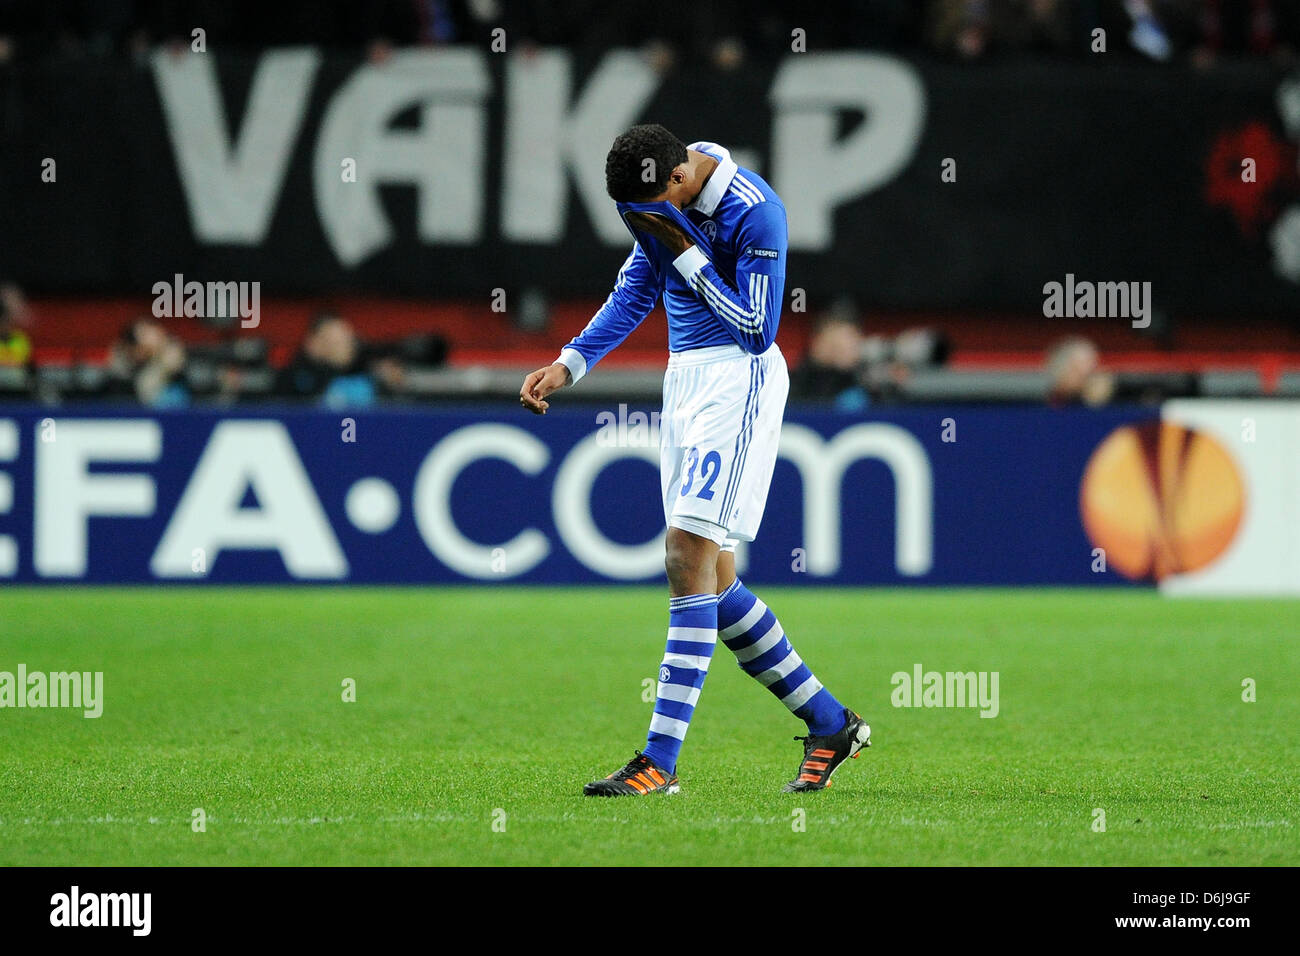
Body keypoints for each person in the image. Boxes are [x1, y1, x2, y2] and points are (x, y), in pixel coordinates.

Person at [519, 124, 869, 797]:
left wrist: (689, 259)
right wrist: (569, 363)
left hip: (740, 381)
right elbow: (634, 291)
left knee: (685, 556)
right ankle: (830, 723)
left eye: (655, 209)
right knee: (717, 578)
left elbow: (757, 330)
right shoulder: (649, 198)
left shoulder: (755, 211)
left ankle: (660, 761)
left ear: (680, 179)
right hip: (685, 380)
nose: (647, 221)